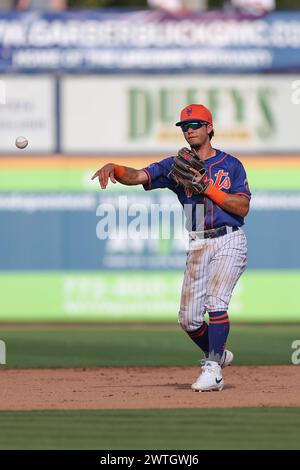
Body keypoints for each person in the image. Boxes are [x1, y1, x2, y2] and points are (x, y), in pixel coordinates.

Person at [92, 104, 251, 392]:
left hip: (229, 238)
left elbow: (241, 207)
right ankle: (218, 353)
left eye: (196, 125)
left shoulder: (231, 165)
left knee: (216, 303)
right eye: (185, 126)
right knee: (189, 319)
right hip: (198, 241)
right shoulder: (175, 166)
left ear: (210, 128)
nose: (189, 130)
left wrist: (206, 186)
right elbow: (137, 175)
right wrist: (115, 168)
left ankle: (213, 368)